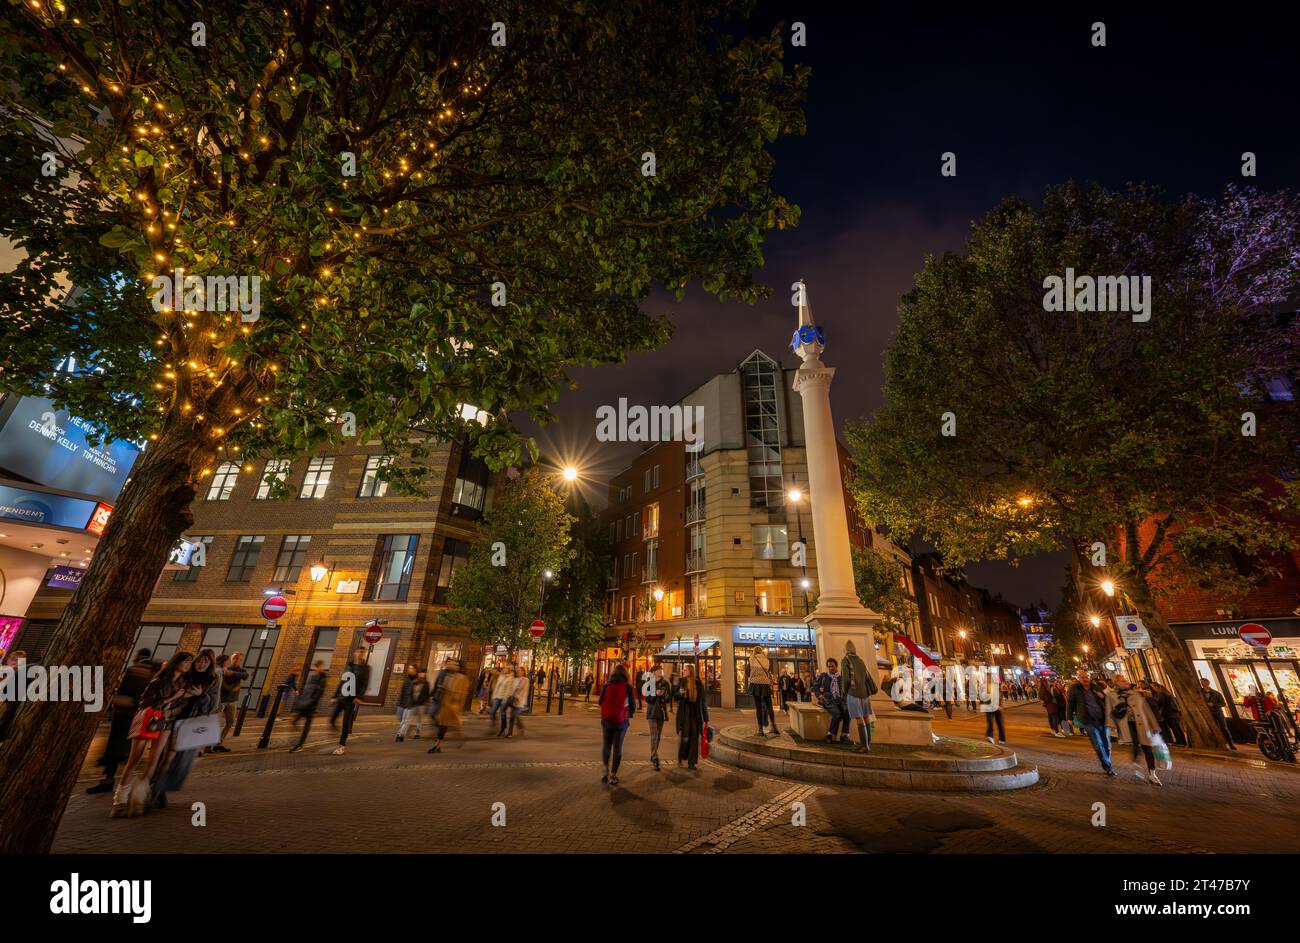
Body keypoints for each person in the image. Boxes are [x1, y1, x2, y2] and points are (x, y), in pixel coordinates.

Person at [112, 652, 195, 817]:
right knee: (133, 760)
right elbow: (144, 702)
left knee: (153, 762)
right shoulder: (158, 681)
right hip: (149, 720)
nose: (187, 664)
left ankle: (138, 800)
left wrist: (171, 709)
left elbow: (182, 706)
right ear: (176, 662)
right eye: (185, 661)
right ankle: (119, 802)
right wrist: (171, 699)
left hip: (166, 723)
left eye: (190, 662)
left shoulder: (185, 684)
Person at [152, 649, 221, 808]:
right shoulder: (186, 674)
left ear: (210, 664)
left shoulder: (213, 679)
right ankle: (155, 791)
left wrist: (201, 695)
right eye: (199, 661)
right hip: (172, 718)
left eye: (205, 662)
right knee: (163, 757)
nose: (201, 664)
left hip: (190, 723)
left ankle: (159, 791)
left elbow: (212, 707)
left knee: (174, 761)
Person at [87, 649, 160, 794]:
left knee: (116, 744)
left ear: (138, 657)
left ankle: (109, 779)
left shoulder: (133, 670)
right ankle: (141, 783)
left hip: (125, 712)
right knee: (136, 749)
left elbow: (122, 690)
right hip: (145, 714)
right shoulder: (156, 671)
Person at [1112, 676, 1164, 785]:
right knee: (1135, 746)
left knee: (1148, 749)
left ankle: (1152, 774)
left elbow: (1147, 710)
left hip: (1142, 725)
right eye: (1123, 681)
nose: (1126, 682)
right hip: (1127, 726)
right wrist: (1111, 725)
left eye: (1126, 680)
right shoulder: (1112, 695)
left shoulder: (1136, 694)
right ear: (1117, 683)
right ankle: (1137, 764)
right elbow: (1110, 712)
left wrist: (1154, 726)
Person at [1068, 668, 1116, 777]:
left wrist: (1103, 697)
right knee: (1098, 744)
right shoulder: (1074, 688)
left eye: (1086, 677)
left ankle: (1107, 763)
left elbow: (1107, 700)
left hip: (1102, 719)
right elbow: (1070, 703)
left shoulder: (1095, 687)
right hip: (1088, 720)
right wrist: (1069, 717)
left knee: (1107, 745)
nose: (1085, 679)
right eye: (1082, 677)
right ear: (1078, 678)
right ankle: (1108, 766)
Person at [598, 664, 637, 785]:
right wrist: (629, 714)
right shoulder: (628, 687)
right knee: (618, 747)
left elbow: (600, 702)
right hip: (621, 721)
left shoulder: (606, 685)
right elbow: (632, 705)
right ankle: (613, 775)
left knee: (606, 745)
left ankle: (605, 770)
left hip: (607, 720)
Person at [329, 648, 371, 755]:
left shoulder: (366, 668)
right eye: (357, 652)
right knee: (332, 720)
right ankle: (338, 733)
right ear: (354, 653)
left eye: (361, 652)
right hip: (342, 697)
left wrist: (359, 697)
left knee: (345, 723)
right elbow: (342, 681)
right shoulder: (349, 665)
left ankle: (342, 746)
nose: (359, 654)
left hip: (351, 699)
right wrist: (334, 696)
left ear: (364, 654)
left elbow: (365, 684)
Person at [841, 640, 877, 753]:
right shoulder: (860, 660)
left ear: (846, 650)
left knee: (859, 719)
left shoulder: (845, 660)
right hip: (865, 693)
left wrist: (843, 692)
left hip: (853, 692)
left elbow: (846, 679)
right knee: (866, 717)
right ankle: (867, 744)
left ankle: (864, 745)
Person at [426, 658, 468, 753]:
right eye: (452, 664)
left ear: (458, 667)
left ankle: (437, 746)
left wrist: (457, 707)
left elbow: (462, 695)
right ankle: (442, 743)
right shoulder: (449, 675)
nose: (452, 666)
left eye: (454, 664)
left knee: (443, 725)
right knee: (442, 724)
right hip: (444, 704)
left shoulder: (462, 678)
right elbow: (441, 686)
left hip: (452, 706)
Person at [209, 651, 247, 753]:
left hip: (233, 700)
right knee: (216, 722)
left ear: (241, 660)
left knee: (230, 722)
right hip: (222, 700)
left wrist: (232, 674)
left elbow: (245, 676)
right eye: (234, 658)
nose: (235, 660)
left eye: (238, 658)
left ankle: (218, 743)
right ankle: (208, 745)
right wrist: (233, 688)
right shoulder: (223, 669)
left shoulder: (239, 670)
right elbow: (222, 685)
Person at [289, 660, 329, 753]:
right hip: (305, 703)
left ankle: (299, 744)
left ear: (322, 667)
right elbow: (307, 690)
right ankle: (299, 740)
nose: (318, 668)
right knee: (294, 722)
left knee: (306, 724)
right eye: (317, 667)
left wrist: (312, 703)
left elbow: (319, 693)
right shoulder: (312, 677)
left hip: (311, 705)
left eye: (320, 667)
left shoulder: (323, 679)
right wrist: (301, 700)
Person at [674, 665, 709, 770]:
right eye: (683, 670)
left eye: (685, 670)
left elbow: (703, 702)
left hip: (695, 713)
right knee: (685, 738)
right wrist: (679, 694)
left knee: (694, 738)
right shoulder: (682, 682)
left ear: (691, 671)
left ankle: (691, 762)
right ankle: (681, 756)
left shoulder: (698, 684)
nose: (683, 671)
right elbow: (675, 696)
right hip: (685, 712)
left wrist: (706, 718)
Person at [813, 658, 851, 743]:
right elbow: (815, 687)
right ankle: (830, 735)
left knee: (847, 711)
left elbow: (847, 689)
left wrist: (846, 698)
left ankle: (844, 735)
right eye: (829, 666)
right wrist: (819, 695)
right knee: (837, 713)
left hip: (840, 700)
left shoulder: (841, 677)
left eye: (832, 666)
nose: (830, 668)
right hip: (827, 699)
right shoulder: (824, 676)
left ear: (836, 666)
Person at [643, 665, 672, 771]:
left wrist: (665, 696)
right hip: (652, 712)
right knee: (654, 736)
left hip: (661, 712)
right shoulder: (649, 683)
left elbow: (669, 699)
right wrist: (655, 694)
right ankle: (655, 757)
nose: (661, 672)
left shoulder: (665, 683)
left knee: (658, 736)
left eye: (661, 670)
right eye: (659, 670)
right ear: (654, 672)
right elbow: (647, 699)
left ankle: (653, 755)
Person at [746, 646, 779, 736]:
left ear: (754, 651)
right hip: (765, 684)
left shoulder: (752, 659)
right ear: (761, 651)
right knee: (769, 706)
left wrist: (753, 675)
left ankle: (760, 729)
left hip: (755, 683)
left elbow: (747, 672)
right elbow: (768, 671)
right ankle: (774, 726)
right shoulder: (766, 660)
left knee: (759, 707)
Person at [1200, 677, 1236, 750]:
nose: (1202, 684)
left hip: (1218, 712)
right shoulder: (1200, 693)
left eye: (1204, 682)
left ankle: (1231, 744)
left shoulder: (1216, 693)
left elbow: (1223, 703)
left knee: (1224, 728)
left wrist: (1214, 704)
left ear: (1208, 683)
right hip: (1208, 713)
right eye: (1201, 682)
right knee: (1213, 728)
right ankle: (1218, 744)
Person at [397, 669, 430, 741]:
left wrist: (425, 701)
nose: (422, 674)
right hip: (412, 704)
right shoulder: (414, 682)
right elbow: (409, 692)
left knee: (419, 720)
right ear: (418, 674)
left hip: (421, 704)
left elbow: (427, 694)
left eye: (424, 673)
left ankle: (417, 733)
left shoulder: (426, 683)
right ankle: (400, 734)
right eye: (421, 673)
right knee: (407, 720)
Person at [1150, 682, 1186, 746]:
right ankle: (1182, 741)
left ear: (1156, 687)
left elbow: (1162, 704)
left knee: (1175, 728)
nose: (1153, 689)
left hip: (1169, 713)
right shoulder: (1166, 692)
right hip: (1173, 713)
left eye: (1153, 687)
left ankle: (1180, 742)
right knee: (1177, 727)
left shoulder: (1161, 693)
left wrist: (1160, 713)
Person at [499, 665, 529, 738]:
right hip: (511, 699)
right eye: (517, 670)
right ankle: (503, 727)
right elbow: (511, 688)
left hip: (519, 701)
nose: (518, 671)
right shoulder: (514, 679)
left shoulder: (525, 680)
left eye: (520, 670)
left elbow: (522, 689)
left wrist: (519, 698)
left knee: (513, 716)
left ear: (523, 672)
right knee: (503, 710)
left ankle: (510, 733)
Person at [981, 669, 1006, 745]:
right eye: (987, 677)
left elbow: (1000, 695)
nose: (987, 679)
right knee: (990, 722)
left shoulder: (996, 685)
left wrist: (999, 705)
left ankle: (1002, 738)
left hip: (997, 707)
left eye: (989, 677)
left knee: (1000, 723)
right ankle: (990, 736)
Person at [396, 664, 419, 730]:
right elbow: (403, 689)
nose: (409, 670)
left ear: (415, 670)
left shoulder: (417, 680)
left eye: (411, 668)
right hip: (403, 701)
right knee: (399, 715)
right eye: (409, 668)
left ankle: (401, 732)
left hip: (410, 702)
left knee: (405, 719)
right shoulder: (406, 678)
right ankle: (405, 727)